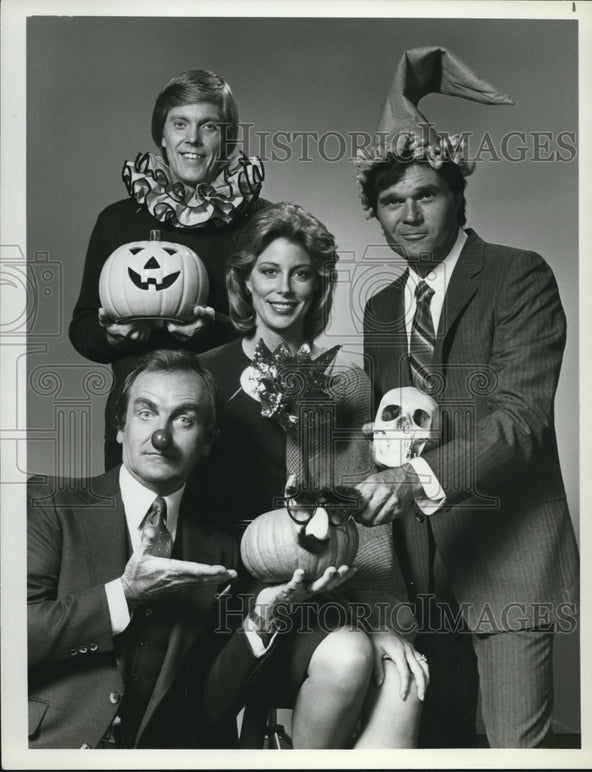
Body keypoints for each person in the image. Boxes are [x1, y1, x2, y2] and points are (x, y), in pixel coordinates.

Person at [354, 47, 579, 747]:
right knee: (437, 748)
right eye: (392, 202)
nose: (410, 216)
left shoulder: (519, 277)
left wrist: (412, 477)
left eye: (427, 194)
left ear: (457, 195)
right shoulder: (384, 309)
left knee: (515, 750)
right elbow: (392, 425)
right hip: (418, 575)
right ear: (378, 214)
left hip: (506, 560)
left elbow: (520, 423)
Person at [27, 349, 351, 749]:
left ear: (208, 440)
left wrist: (263, 618)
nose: (161, 434)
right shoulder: (51, 503)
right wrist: (122, 595)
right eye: (146, 413)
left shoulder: (225, 551)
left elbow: (209, 709)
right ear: (120, 428)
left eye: (184, 419)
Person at [198, 202, 429, 749]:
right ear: (244, 282)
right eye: (269, 271)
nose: (284, 288)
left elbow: (364, 516)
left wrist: (384, 621)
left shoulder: (346, 385)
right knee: (352, 658)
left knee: (403, 677)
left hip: (327, 585)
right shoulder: (204, 377)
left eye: (301, 274)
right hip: (230, 592)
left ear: (317, 286)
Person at [69, 69, 269, 470]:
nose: (192, 139)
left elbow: (284, 335)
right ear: (162, 134)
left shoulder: (263, 224)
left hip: (235, 422)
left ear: (226, 139)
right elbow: (82, 329)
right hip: (139, 422)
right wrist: (113, 336)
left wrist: (217, 332)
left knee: (232, 533)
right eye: (180, 124)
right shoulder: (117, 221)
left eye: (208, 126)